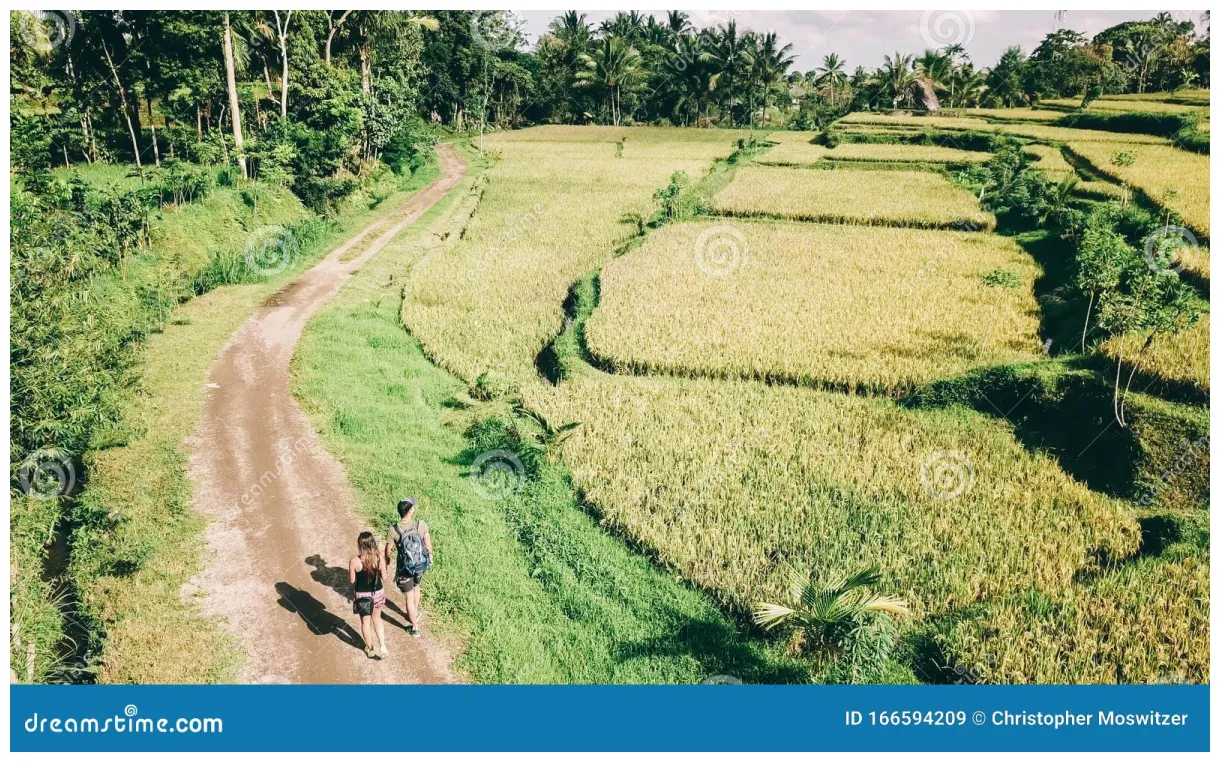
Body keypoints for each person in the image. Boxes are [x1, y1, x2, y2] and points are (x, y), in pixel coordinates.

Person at [386, 498, 433, 637]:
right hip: (420, 565)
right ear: (410, 511)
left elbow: (387, 550)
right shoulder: (421, 525)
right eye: (413, 507)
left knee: (409, 597)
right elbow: (428, 543)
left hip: (404, 569)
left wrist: (387, 563)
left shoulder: (393, 530)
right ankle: (414, 614)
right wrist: (430, 557)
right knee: (416, 587)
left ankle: (415, 627)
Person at [349, 531, 387, 659]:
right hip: (377, 593)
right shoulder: (379, 558)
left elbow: (352, 580)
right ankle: (383, 646)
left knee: (365, 622)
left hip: (362, 596)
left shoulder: (354, 561)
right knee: (377, 619)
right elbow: (385, 576)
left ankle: (370, 648)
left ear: (360, 545)